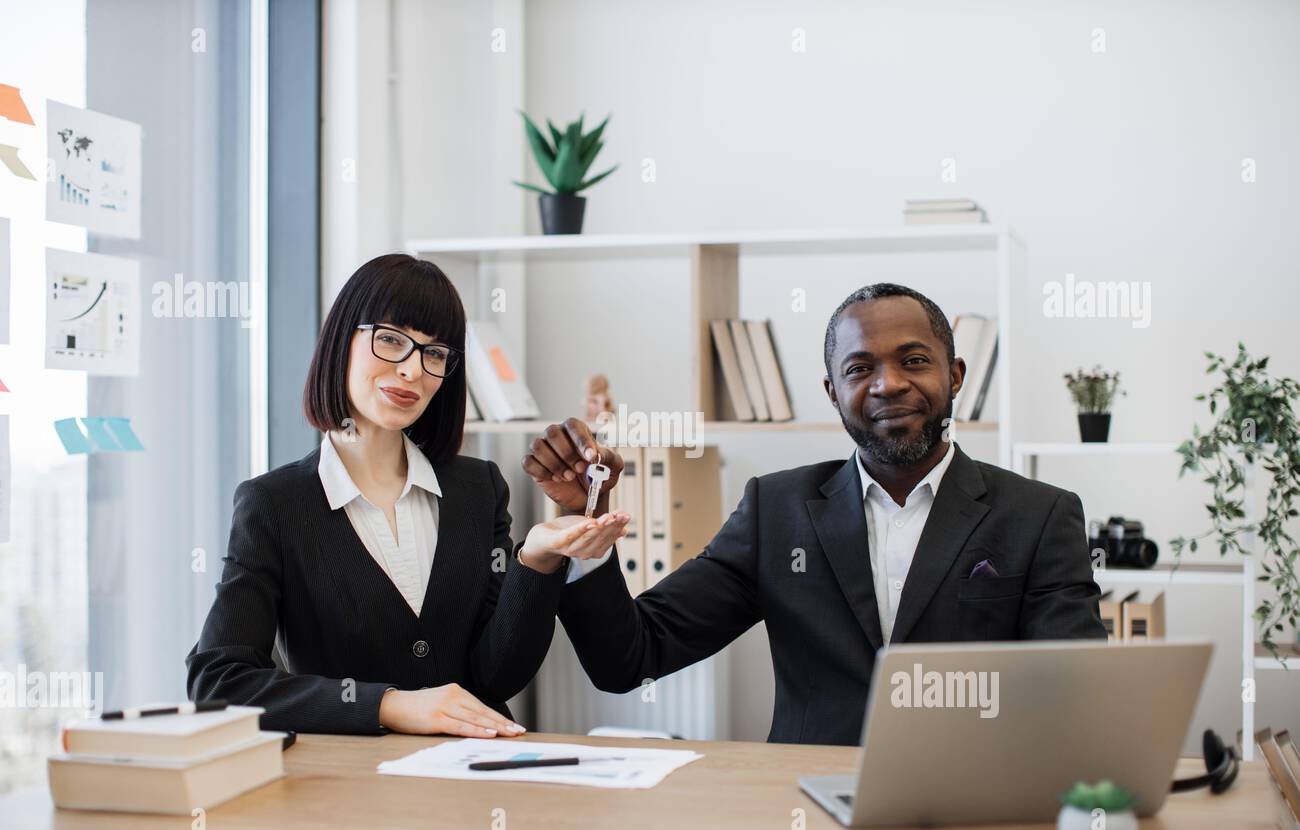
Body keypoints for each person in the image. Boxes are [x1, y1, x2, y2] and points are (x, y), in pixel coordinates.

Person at [523, 282, 1106, 745]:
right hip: (806, 810)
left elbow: (1076, 698)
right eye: (859, 369)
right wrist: (587, 528)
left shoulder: (1040, 516)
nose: (888, 385)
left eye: (913, 360)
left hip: (975, 812)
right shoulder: (775, 512)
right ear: (833, 393)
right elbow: (631, 657)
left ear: (953, 376)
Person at [186, 254, 627, 736]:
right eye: (391, 339)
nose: (413, 370)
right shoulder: (274, 505)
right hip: (350, 777)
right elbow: (219, 682)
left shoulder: (478, 489)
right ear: (341, 340)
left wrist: (536, 561)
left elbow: (497, 676)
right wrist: (389, 706)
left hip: (478, 769)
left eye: (434, 353)